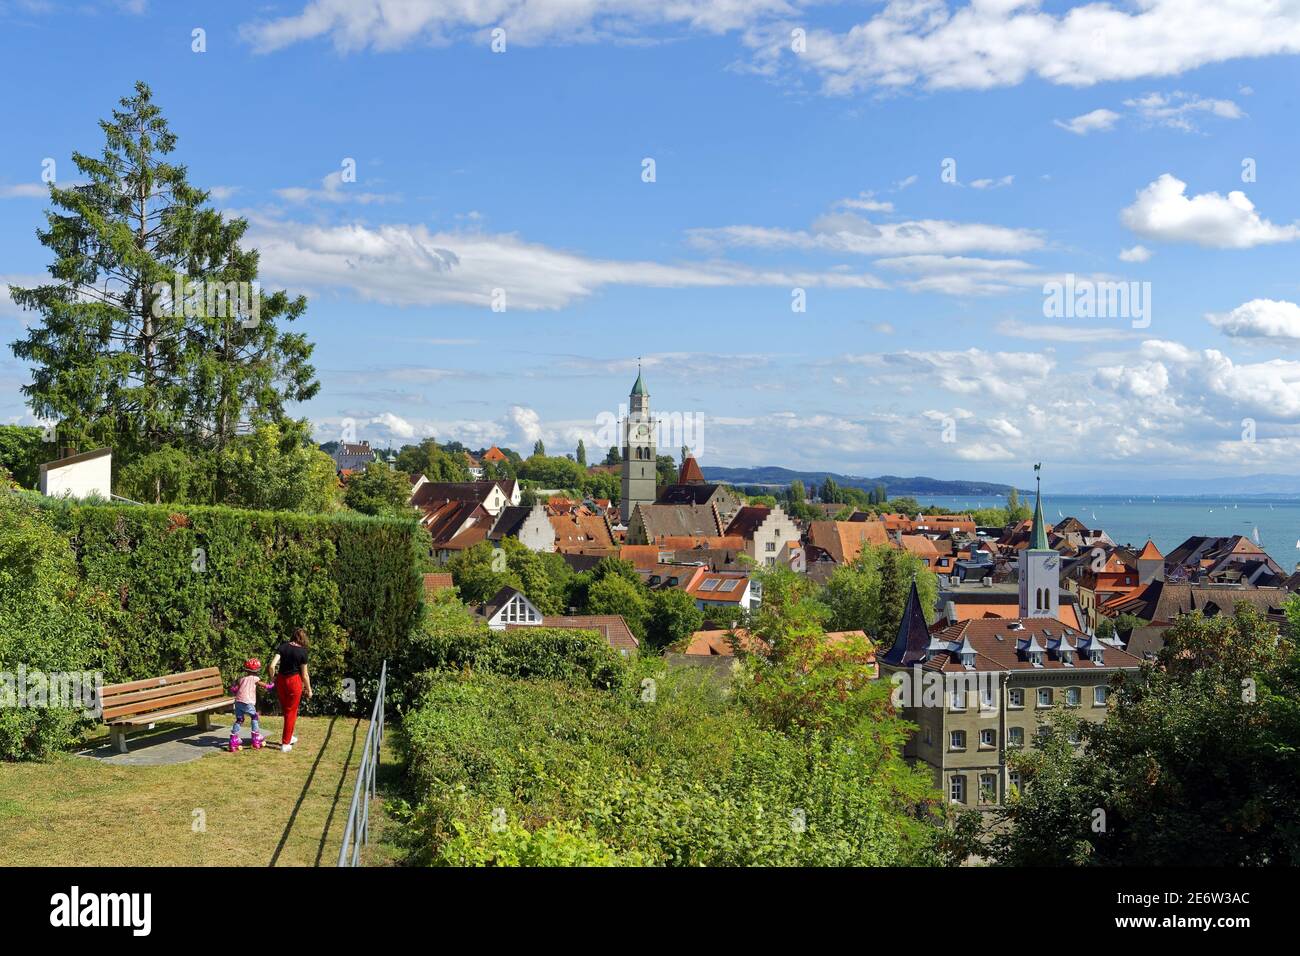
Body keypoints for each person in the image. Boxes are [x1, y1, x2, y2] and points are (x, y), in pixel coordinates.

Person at [269, 627, 312, 752]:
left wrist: (273, 679)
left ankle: (290, 736)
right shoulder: (303, 652)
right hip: (294, 682)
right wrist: (309, 690)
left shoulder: (283, 647)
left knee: (287, 711)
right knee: (291, 712)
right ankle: (285, 743)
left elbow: (272, 666)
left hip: (281, 681)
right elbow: (304, 675)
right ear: (303, 639)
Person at [228, 658, 273, 752]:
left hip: (238, 702)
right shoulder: (255, 678)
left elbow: (236, 689)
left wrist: (233, 689)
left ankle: (233, 739)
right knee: (254, 716)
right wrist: (269, 686)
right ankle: (256, 737)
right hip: (247, 702)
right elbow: (261, 684)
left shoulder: (242, 679)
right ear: (257, 670)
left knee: (239, 719)